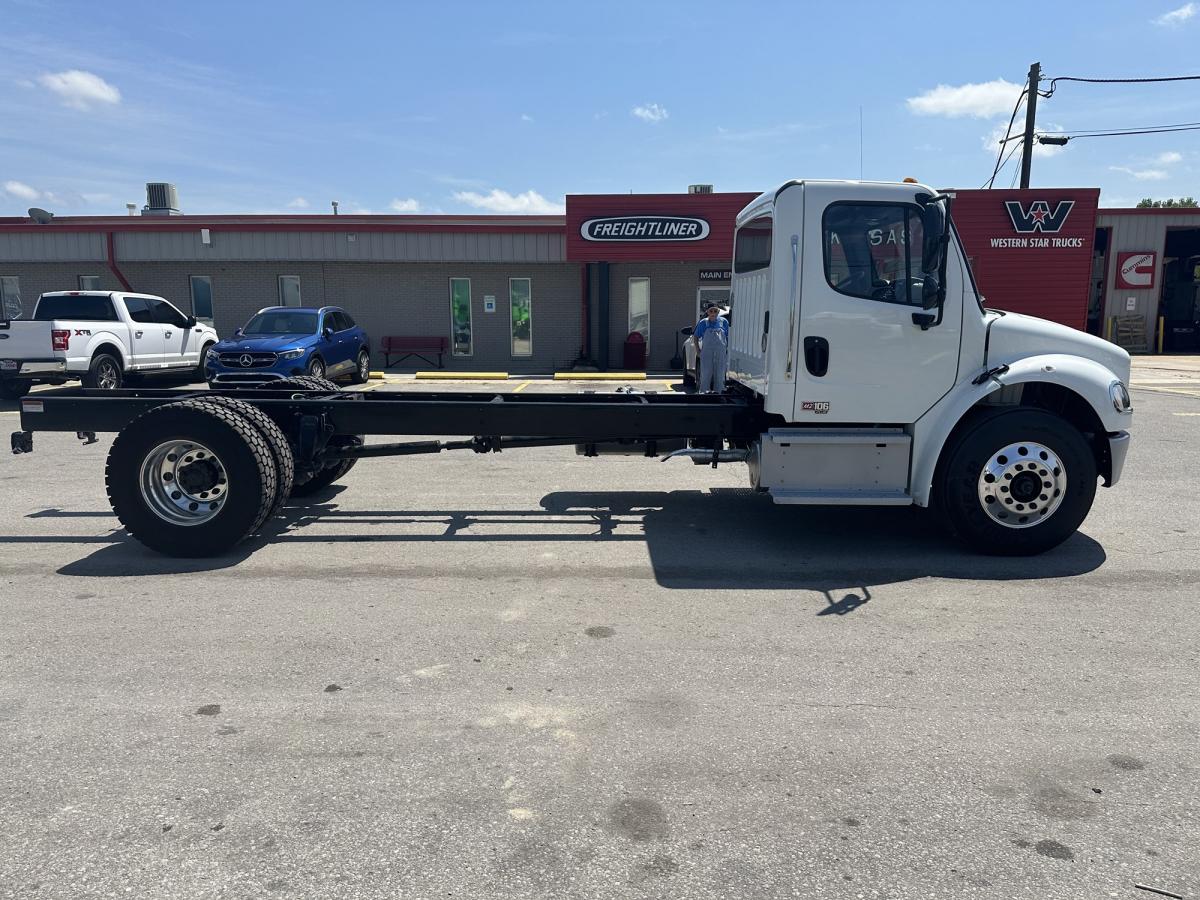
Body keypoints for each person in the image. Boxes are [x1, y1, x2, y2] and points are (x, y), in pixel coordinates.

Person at [692, 304, 729, 393]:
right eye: (711, 311)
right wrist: (698, 350)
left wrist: (727, 350)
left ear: (718, 312)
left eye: (715, 311)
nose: (713, 313)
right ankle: (704, 393)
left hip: (720, 352)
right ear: (707, 312)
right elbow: (696, 336)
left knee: (720, 374)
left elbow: (727, 337)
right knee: (706, 374)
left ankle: (719, 394)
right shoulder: (703, 323)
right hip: (707, 353)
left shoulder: (724, 322)